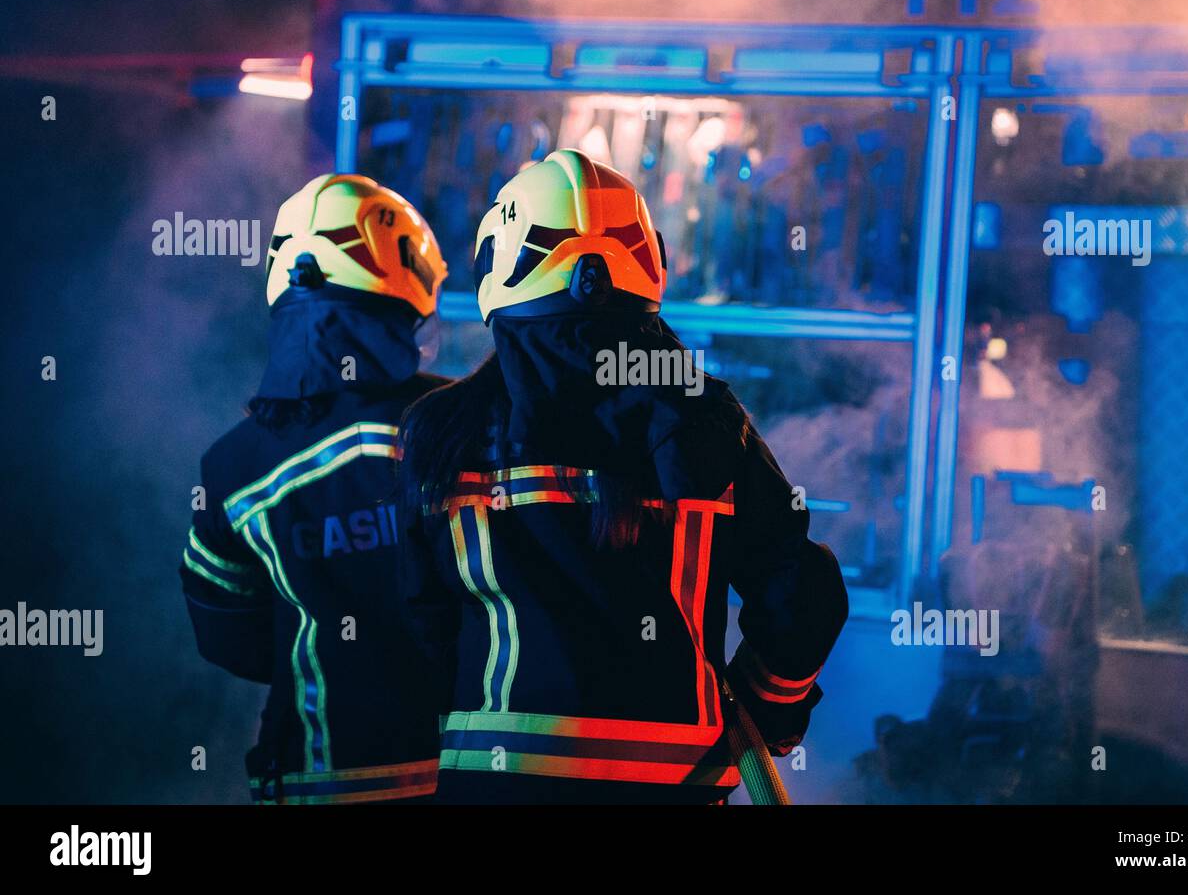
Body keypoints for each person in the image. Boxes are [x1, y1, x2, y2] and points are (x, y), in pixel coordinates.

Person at [398, 149, 848, 804]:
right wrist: (767, 710)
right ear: (647, 261)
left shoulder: (441, 432)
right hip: (677, 787)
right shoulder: (709, 422)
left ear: (499, 265)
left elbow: (419, 624)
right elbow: (803, 598)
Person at [180, 175, 449, 804]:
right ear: (401, 295)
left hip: (314, 780)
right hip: (460, 780)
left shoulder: (233, 466)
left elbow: (226, 638)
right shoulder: (461, 425)